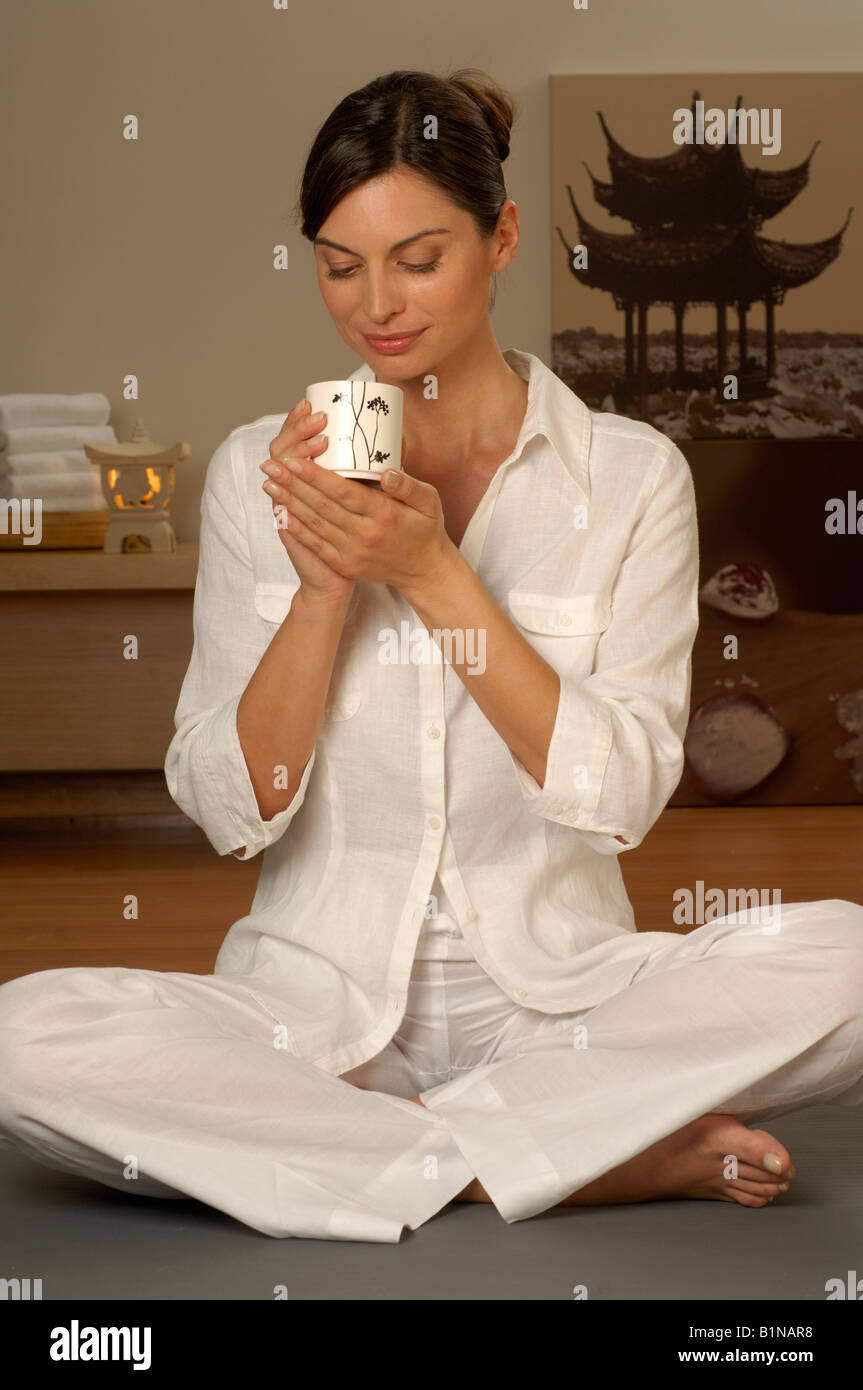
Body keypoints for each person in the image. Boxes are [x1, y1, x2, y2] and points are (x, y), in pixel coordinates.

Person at [0, 68, 861, 1245]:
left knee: (846, 959)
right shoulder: (268, 471)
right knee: (24, 1036)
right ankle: (560, 1153)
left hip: (566, 1004)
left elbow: (618, 799)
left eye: (418, 258)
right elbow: (228, 807)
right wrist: (319, 590)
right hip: (311, 1017)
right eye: (339, 265)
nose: (375, 307)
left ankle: (397, 1147)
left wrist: (432, 571)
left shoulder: (627, 476)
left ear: (500, 237)